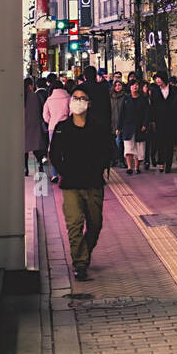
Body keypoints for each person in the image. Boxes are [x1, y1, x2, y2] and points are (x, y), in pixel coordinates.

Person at [49, 85, 110, 282]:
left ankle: (84, 251)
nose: (77, 101)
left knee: (95, 224)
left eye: (82, 98)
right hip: (71, 184)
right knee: (74, 224)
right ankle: (80, 264)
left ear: (89, 103)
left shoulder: (98, 127)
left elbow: (108, 150)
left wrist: (99, 166)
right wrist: (64, 172)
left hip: (93, 183)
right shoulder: (62, 128)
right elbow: (54, 154)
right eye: (74, 97)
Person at [42, 77, 71, 183]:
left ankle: (55, 175)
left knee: (54, 151)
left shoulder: (49, 100)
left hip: (53, 128)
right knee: (66, 150)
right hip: (66, 127)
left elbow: (45, 115)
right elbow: (72, 112)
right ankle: (65, 173)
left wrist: (51, 121)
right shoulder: (68, 97)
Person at [150, 70, 177, 173]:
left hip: (171, 120)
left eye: (159, 78)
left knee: (170, 143)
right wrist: (152, 120)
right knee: (160, 142)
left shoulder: (174, 90)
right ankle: (161, 163)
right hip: (159, 120)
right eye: (156, 79)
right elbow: (152, 106)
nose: (157, 80)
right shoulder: (155, 90)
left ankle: (169, 164)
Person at [121, 80, 150, 175]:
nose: (135, 87)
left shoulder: (143, 99)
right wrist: (119, 127)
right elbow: (122, 114)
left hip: (140, 127)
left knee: (139, 149)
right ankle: (129, 167)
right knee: (128, 148)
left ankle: (137, 167)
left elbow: (147, 113)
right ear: (130, 87)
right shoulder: (126, 99)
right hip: (128, 127)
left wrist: (145, 124)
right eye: (133, 85)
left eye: (137, 85)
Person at [24, 77, 45, 176]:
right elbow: (41, 109)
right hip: (35, 124)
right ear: (30, 85)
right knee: (36, 147)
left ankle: (25, 168)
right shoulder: (35, 96)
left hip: (23, 125)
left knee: (24, 148)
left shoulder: (20, 96)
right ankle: (40, 165)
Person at [109, 76, 127, 168]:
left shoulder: (125, 97)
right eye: (116, 85)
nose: (117, 87)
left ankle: (121, 160)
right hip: (112, 122)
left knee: (120, 142)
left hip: (121, 123)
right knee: (113, 143)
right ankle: (114, 160)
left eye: (119, 85)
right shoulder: (110, 97)